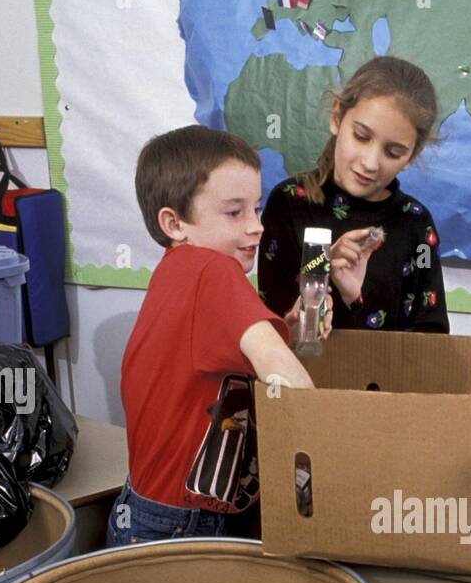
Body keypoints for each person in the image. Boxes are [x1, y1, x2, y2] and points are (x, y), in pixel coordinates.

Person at [107, 125, 315, 547]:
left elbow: (213, 368)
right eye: (234, 212)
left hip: (146, 511)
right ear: (175, 222)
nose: (256, 227)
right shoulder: (213, 271)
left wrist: (282, 336)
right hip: (183, 524)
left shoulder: (177, 271)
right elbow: (293, 385)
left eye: (256, 209)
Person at [258, 55, 449, 334]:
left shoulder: (415, 224)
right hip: (303, 375)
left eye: (393, 152)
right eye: (361, 136)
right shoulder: (289, 203)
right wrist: (321, 272)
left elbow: (430, 339)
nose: (370, 163)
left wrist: (353, 298)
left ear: (412, 155)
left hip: (387, 377)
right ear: (337, 117)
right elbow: (272, 328)